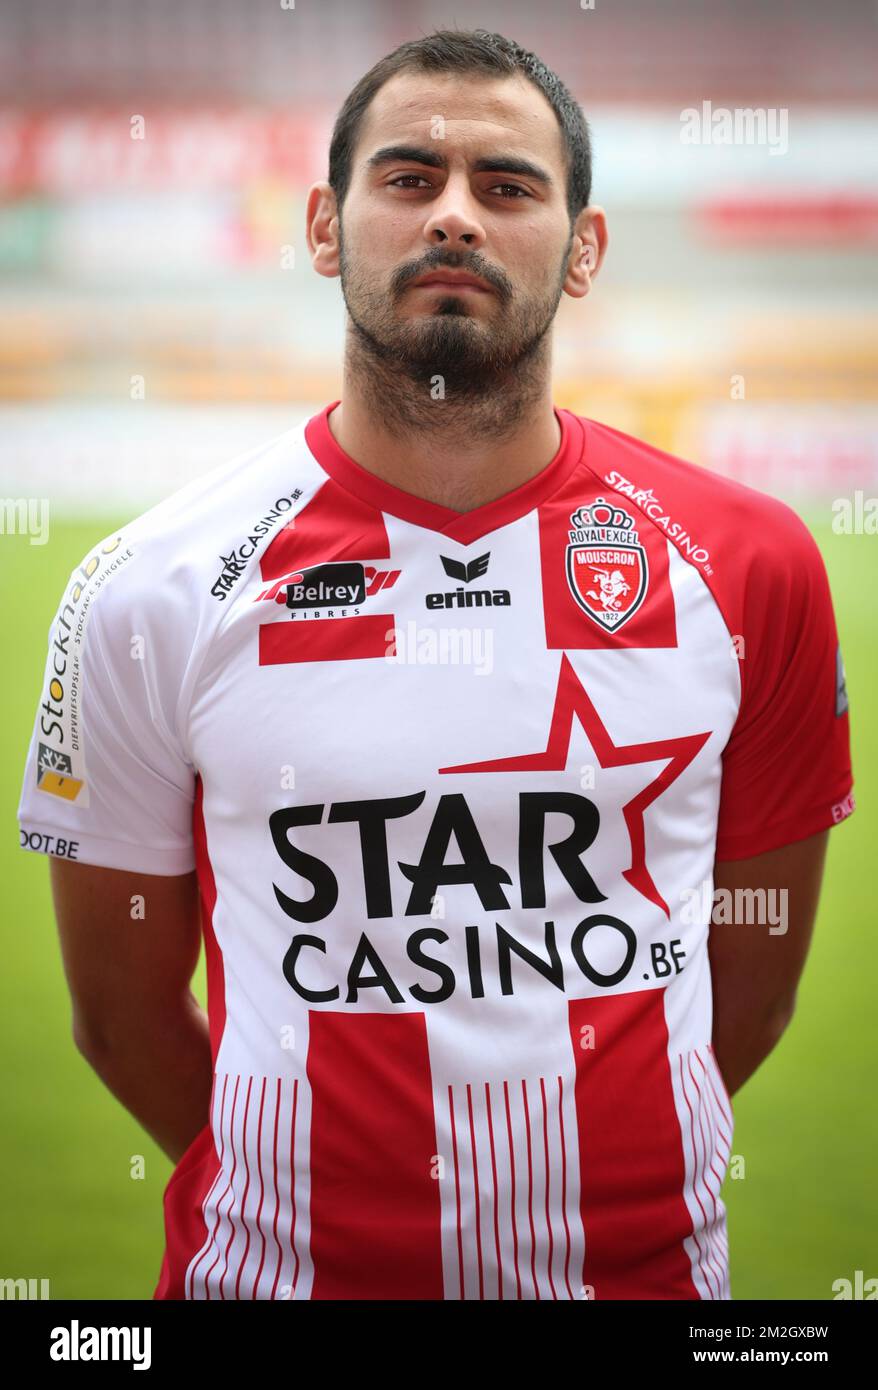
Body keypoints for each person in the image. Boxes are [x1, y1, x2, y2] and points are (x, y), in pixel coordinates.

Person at [17, 28, 854, 1301]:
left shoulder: (752, 567)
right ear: (321, 225)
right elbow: (121, 1017)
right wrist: (310, 1204)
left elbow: (745, 997)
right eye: (407, 179)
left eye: (507, 186)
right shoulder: (145, 589)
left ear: (583, 250)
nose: (454, 215)